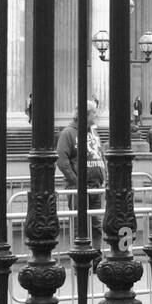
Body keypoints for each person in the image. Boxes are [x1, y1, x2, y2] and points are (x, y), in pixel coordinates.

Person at [56, 98, 106, 258]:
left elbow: (100, 154)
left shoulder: (93, 131)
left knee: (96, 224)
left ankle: (96, 257)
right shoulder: (67, 133)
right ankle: (81, 259)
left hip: (96, 187)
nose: (96, 117)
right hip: (78, 189)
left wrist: (104, 175)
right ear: (84, 114)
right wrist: (77, 183)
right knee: (80, 225)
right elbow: (62, 161)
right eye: (94, 113)